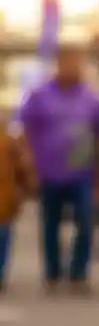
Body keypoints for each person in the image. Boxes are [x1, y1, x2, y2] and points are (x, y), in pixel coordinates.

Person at [17, 41, 99, 294]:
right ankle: (53, 273)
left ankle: (79, 273)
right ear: (58, 64)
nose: (73, 67)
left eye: (77, 62)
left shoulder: (93, 99)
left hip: (82, 172)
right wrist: (30, 167)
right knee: (50, 224)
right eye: (68, 61)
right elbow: (25, 132)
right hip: (49, 172)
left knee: (85, 220)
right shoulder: (39, 96)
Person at [0, 120, 30, 293]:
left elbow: (21, 170)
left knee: (3, 235)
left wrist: (20, 191)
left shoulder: (8, 142)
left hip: (4, 199)